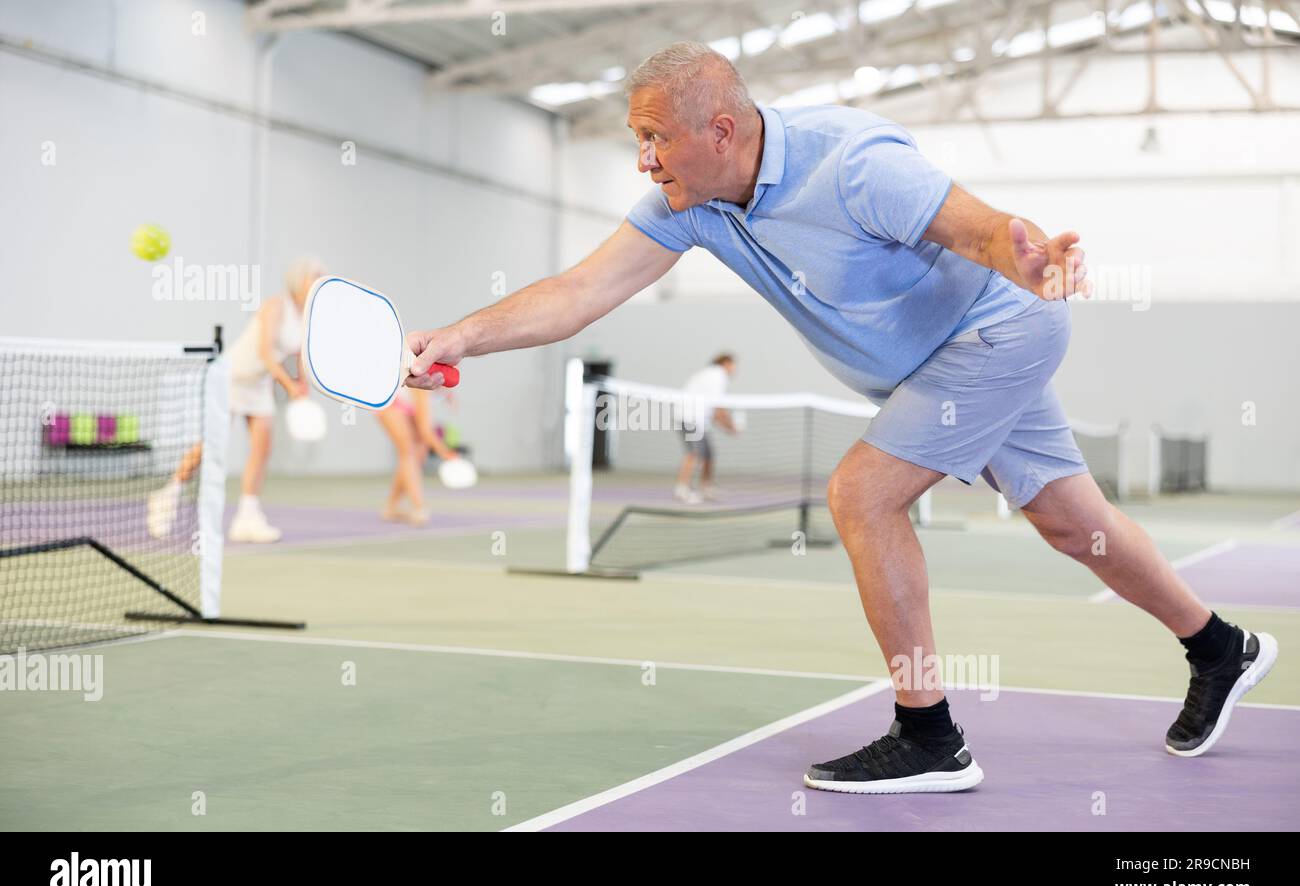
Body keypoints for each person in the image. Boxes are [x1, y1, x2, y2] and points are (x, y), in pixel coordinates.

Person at [402, 43, 1277, 793]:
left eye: (654, 137)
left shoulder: (853, 161)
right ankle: (1219, 647)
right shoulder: (690, 206)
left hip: (999, 328)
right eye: (639, 139)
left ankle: (929, 736)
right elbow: (578, 291)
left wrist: (1033, 256)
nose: (644, 160)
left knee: (862, 495)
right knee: (1072, 522)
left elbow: (977, 231)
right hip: (945, 362)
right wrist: (462, 337)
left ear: (720, 131)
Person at [147, 257, 325, 543]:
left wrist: (303, 385)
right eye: (315, 277)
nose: (320, 282)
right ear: (299, 281)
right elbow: (265, 352)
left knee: (263, 448)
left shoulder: (308, 315)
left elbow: (301, 355)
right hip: (231, 377)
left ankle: (247, 517)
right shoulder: (275, 306)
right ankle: (167, 495)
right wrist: (289, 385)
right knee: (210, 444)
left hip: (260, 383)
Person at [376, 386, 460, 525]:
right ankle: (419, 507)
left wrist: (449, 397)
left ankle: (391, 507)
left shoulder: (442, 387)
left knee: (419, 455)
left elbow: (425, 430)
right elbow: (425, 430)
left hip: (409, 404)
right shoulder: (423, 388)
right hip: (390, 404)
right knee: (408, 452)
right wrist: (445, 453)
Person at [674, 353, 738, 504]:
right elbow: (718, 409)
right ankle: (681, 490)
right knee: (694, 453)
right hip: (690, 417)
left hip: (696, 419)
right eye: (733, 365)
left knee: (708, 454)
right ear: (725, 363)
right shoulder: (718, 376)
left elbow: (714, 412)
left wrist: (727, 426)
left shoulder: (708, 374)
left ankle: (706, 488)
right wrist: (731, 427)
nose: (734, 369)